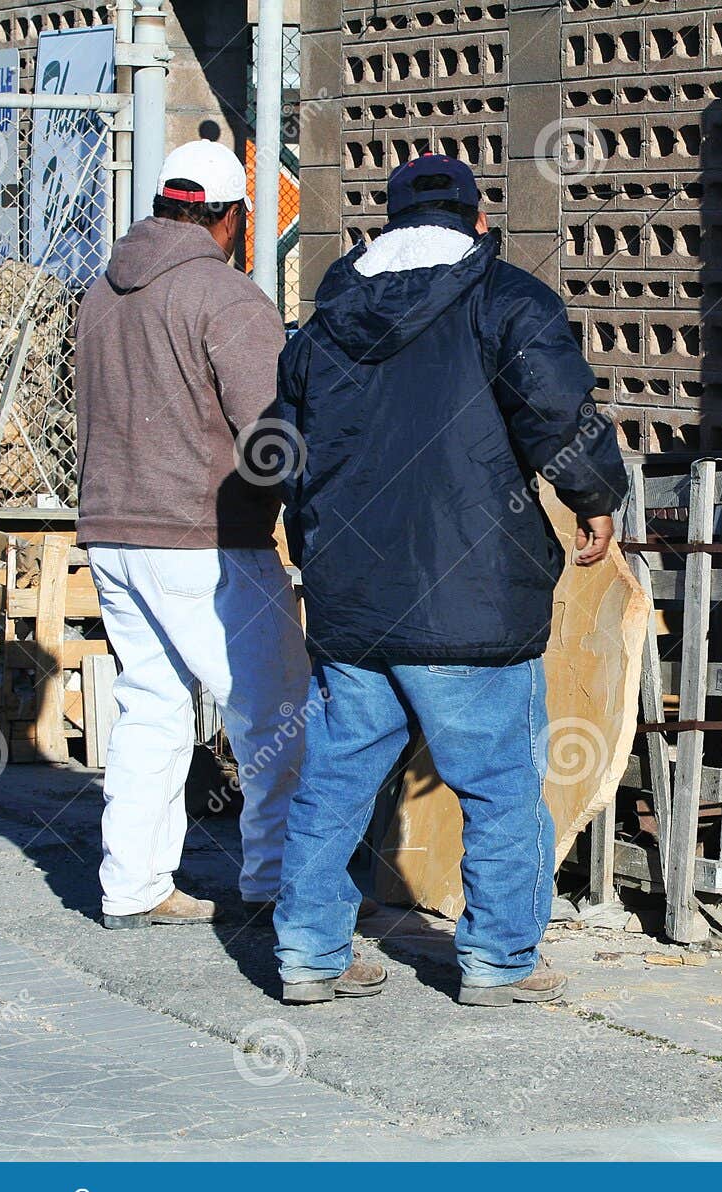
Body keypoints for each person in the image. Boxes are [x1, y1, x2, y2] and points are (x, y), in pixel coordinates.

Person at [273, 154, 627, 1006]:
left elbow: (283, 454)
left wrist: (313, 546)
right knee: (500, 785)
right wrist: (595, 496)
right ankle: (500, 961)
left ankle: (310, 955)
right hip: (472, 599)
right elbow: (557, 412)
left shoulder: (323, 323)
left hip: (353, 600)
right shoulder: (508, 300)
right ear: (476, 221)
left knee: (334, 780)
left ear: (388, 225)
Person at [74, 140, 310, 930]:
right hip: (206, 538)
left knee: (150, 712)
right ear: (232, 216)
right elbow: (270, 430)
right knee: (273, 711)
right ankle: (278, 882)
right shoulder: (228, 296)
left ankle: (133, 887)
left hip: (112, 532)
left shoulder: (101, 294)